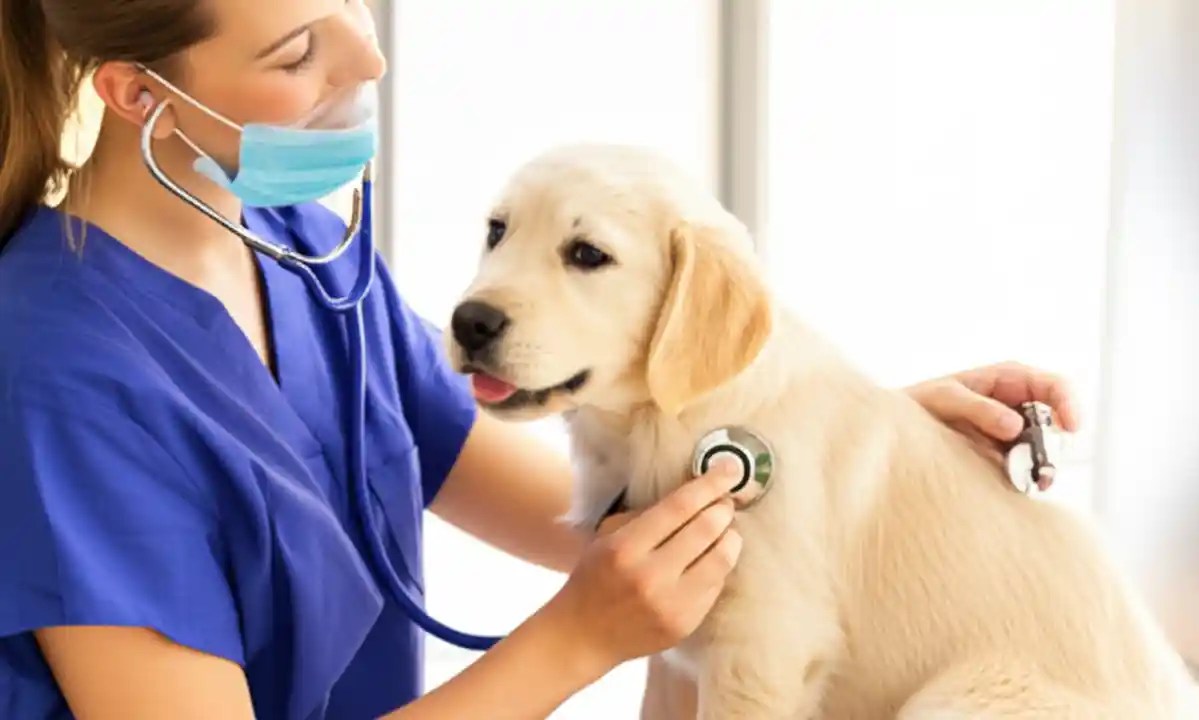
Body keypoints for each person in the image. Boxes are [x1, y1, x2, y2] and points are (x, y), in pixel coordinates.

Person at [0, 1, 1081, 718]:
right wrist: (573, 645)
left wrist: (842, 442)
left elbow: (619, 531)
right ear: (136, 95)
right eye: (296, 50)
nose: (367, 59)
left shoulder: (309, 255)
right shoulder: (57, 377)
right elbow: (605, 592)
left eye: (347, 5)